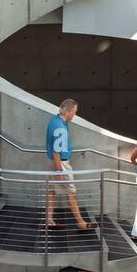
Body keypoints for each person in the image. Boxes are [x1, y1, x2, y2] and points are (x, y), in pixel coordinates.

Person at [44, 99, 96, 232]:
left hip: (52, 162)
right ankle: (80, 223)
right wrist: (59, 171)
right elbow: (57, 151)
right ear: (69, 112)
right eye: (75, 112)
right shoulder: (60, 128)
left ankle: (49, 220)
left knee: (53, 192)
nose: (75, 115)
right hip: (61, 164)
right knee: (71, 193)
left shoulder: (55, 121)